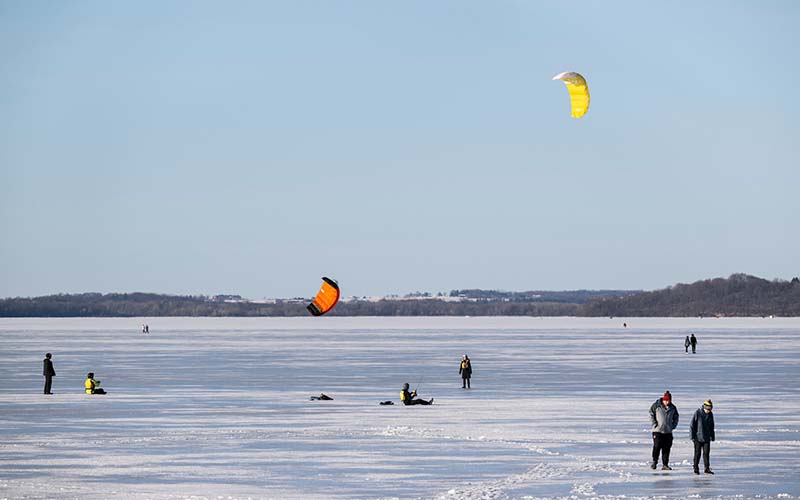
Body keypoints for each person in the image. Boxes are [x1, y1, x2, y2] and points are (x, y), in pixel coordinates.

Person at [649, 390, 679, 470]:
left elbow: (676, 417)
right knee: (657, 446)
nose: (667, 402)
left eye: (668, 400)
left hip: (668, 431)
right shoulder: (656, 405)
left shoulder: (673, 407)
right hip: (657, 431)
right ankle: (654, 462)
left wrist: (673, 426)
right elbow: (651, 414)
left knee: (666, 448)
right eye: (666, 400)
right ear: (663, 399)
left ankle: (665, 464)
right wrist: (654, 424)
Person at [690, 399, 716, 475]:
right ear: (704, 407)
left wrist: (712, 435)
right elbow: (692, 425)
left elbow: (712, 426)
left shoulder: (710, 414)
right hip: (698, 437)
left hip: (707, 437)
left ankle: (707, 468)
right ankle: (696, 468)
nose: (709, 410)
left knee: (706, 454)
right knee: (697, 453)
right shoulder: (697, 413)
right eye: (708, 409)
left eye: (710, 409)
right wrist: (692, 436)